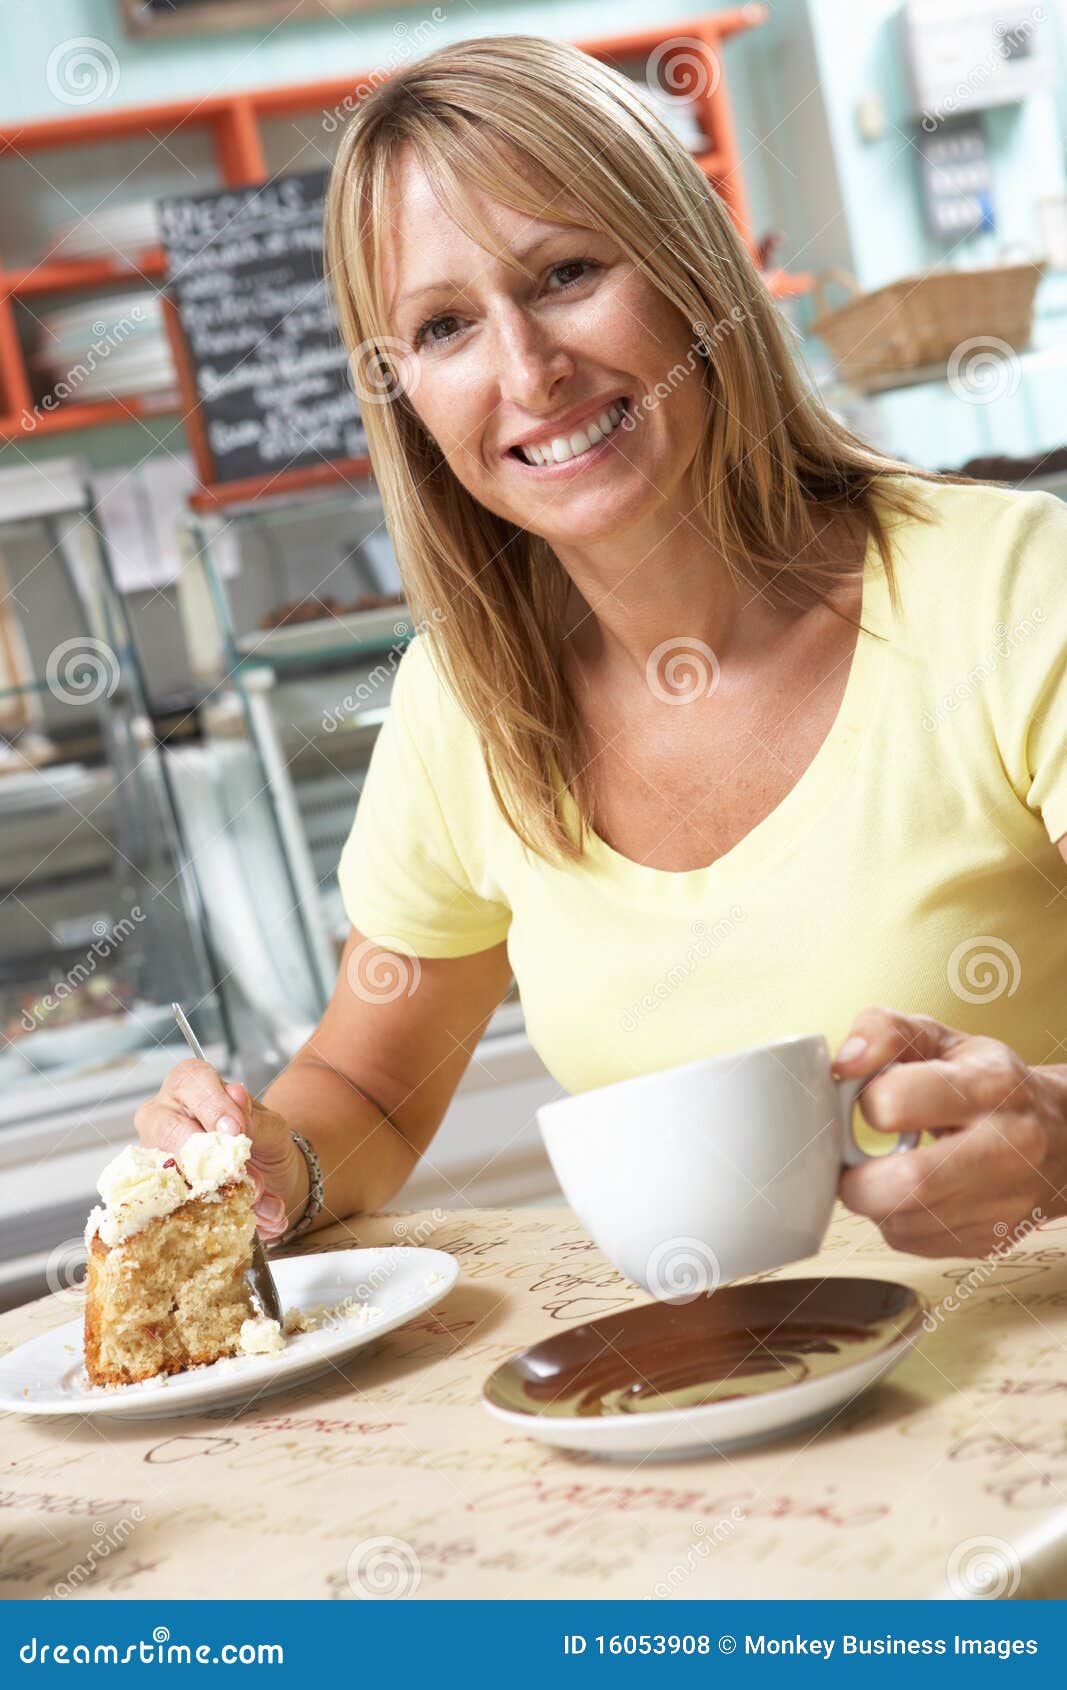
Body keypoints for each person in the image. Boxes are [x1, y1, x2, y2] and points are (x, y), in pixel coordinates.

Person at [136, 35, 1067, 1262]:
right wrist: (260, 1162)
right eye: (445, 326)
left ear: (688, 266)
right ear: (401, 391)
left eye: (567, 271)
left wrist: (1051, 1130)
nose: (528, 370)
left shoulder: (1006, 585)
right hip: (714, 1402)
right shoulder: (461, 706)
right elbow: (362, 1092)